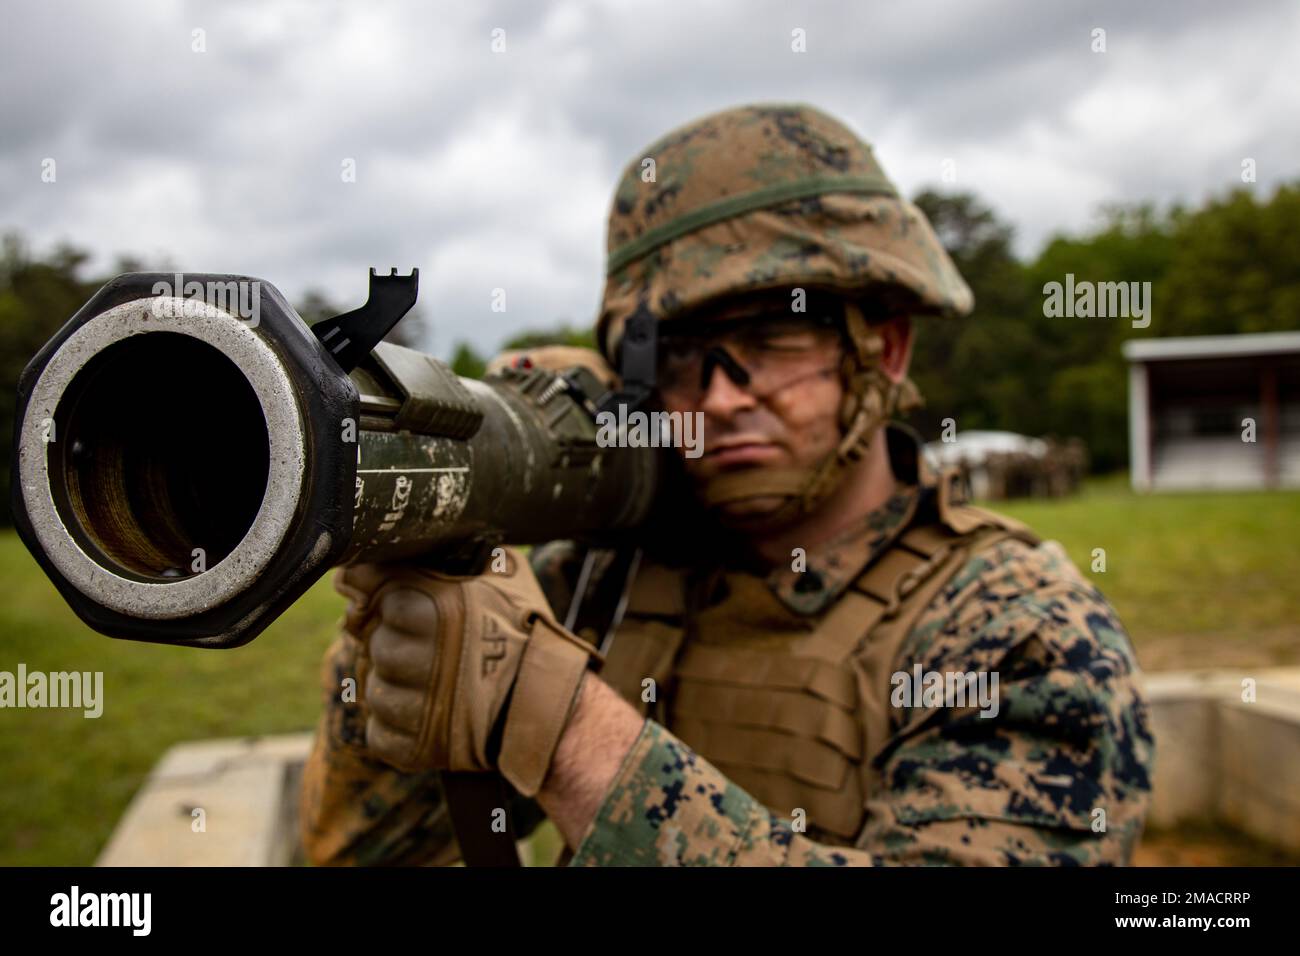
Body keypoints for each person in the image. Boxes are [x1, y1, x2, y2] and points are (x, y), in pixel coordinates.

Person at [299, 102, 1154, 866]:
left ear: (885, 349)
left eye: (774, 337)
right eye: (675, 354)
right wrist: (422, 571)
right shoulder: (601, 576)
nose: (718, 396)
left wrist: (554, 724)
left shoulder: (1017, 629)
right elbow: (362, 849)